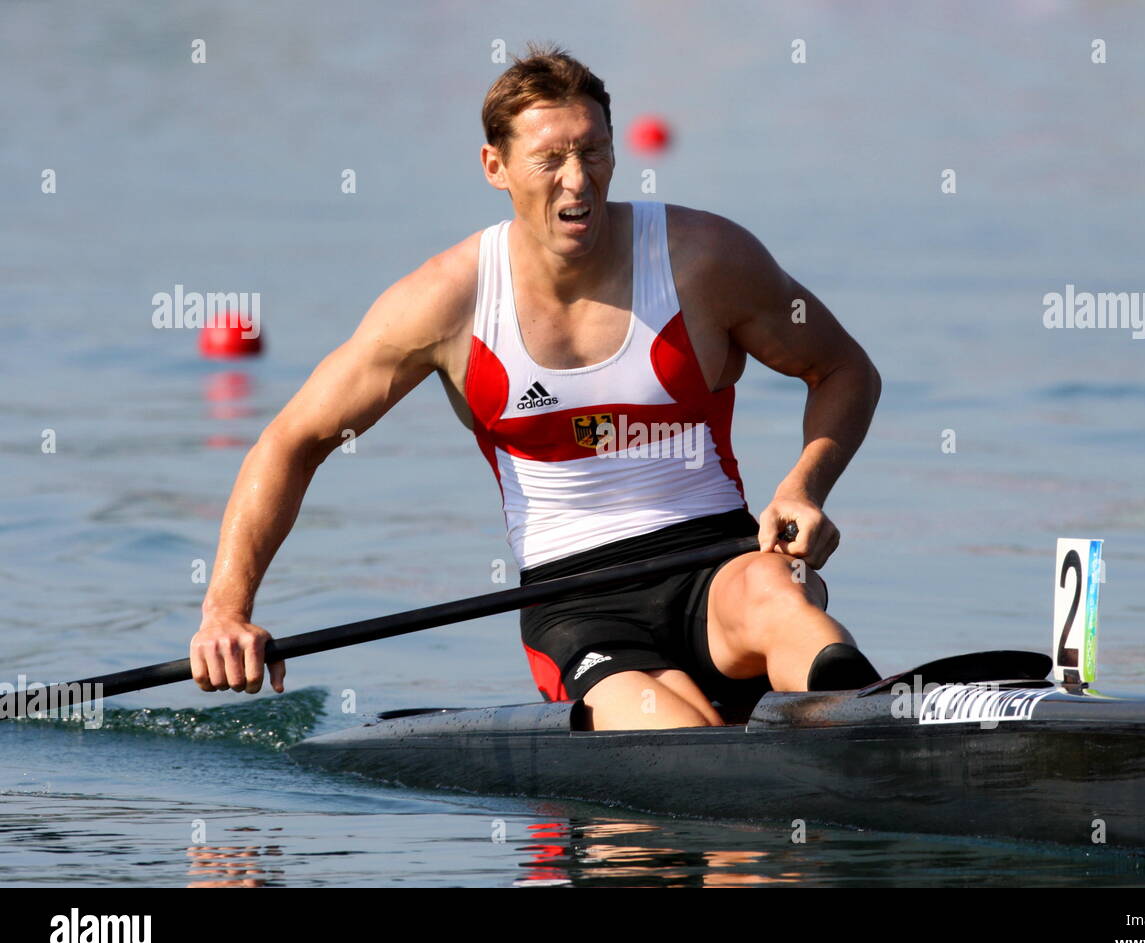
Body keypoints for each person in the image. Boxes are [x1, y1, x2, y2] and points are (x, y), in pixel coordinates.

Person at [189, 44, 883, 730]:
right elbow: (290, 442)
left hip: (720, 563)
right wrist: (226, 611)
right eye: (550, 159)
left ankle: (870, 737)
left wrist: (803, 489)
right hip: (575, 603)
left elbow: (844, 369)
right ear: (495, 167)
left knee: (778, 594)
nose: (577, 180)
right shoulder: (445, 303)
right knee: (678, 732)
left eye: (594, 152)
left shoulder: (706, 259)